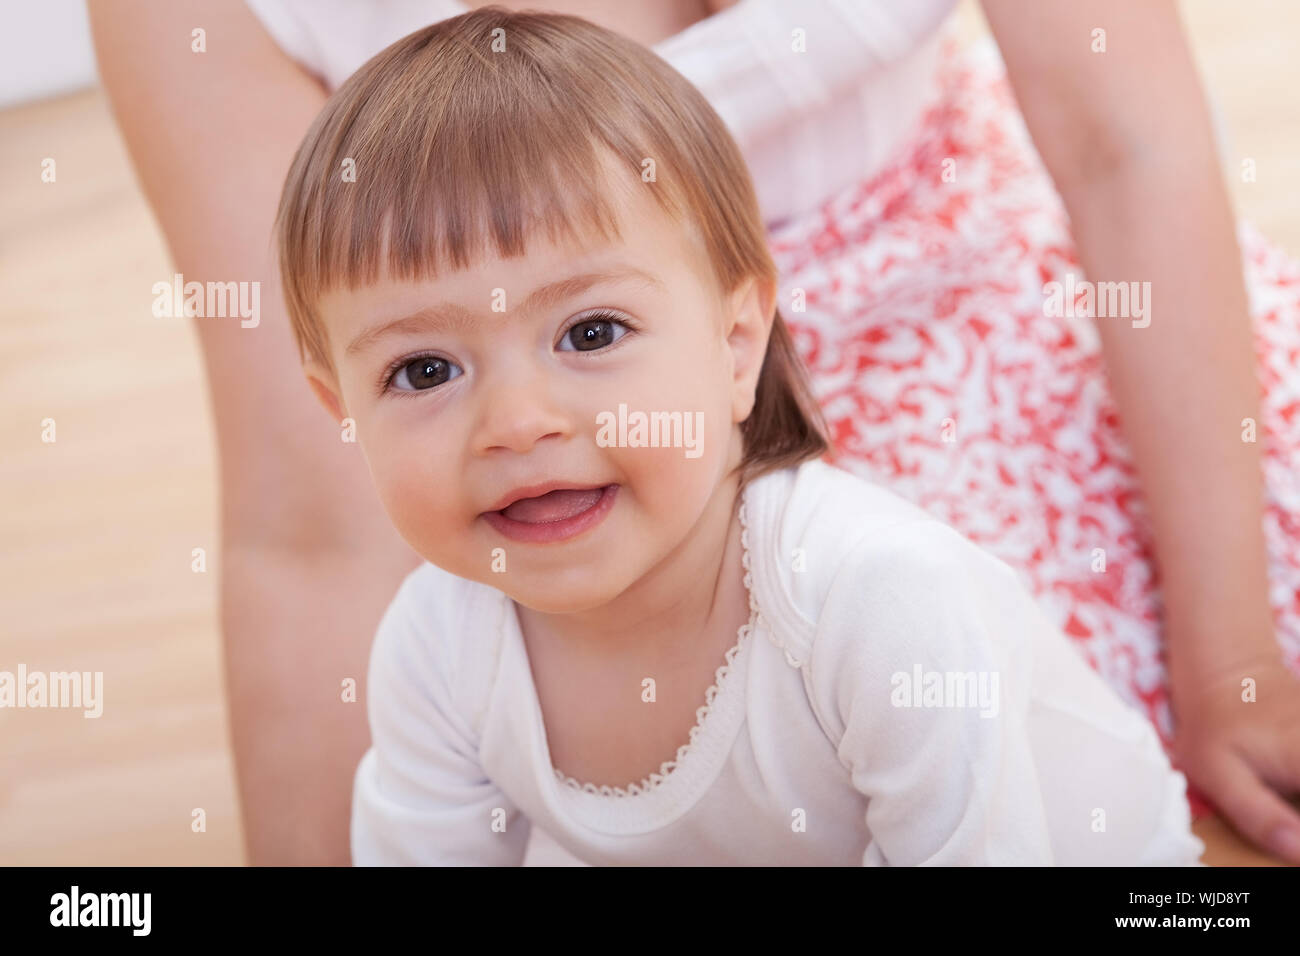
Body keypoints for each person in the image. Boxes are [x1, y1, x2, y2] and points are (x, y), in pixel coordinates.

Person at [87, 0, 1300, 865]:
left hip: (979, 286)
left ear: (740, 337)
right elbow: (307, 521)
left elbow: (1125, 150)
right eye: (423, 365)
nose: (518, 421)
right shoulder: (436, 648)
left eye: (588, 332)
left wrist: (1228, 658)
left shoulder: (885, 593)